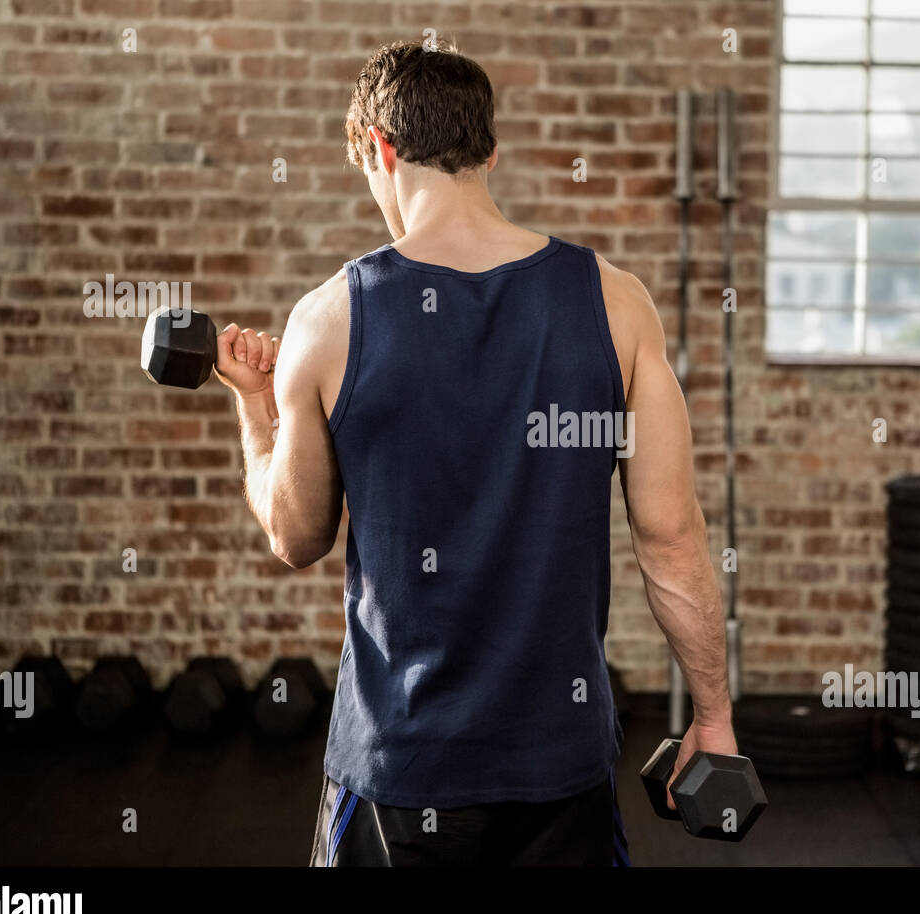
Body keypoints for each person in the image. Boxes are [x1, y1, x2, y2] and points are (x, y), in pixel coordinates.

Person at [210, 39, 735, 866]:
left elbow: (295, 537)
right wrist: (715, 717)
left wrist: (252, 403)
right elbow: (672, 538)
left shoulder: (326, 321)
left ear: (377, 149)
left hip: (399, 768)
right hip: (560, 770)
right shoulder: (618, 304)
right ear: (489, 151)